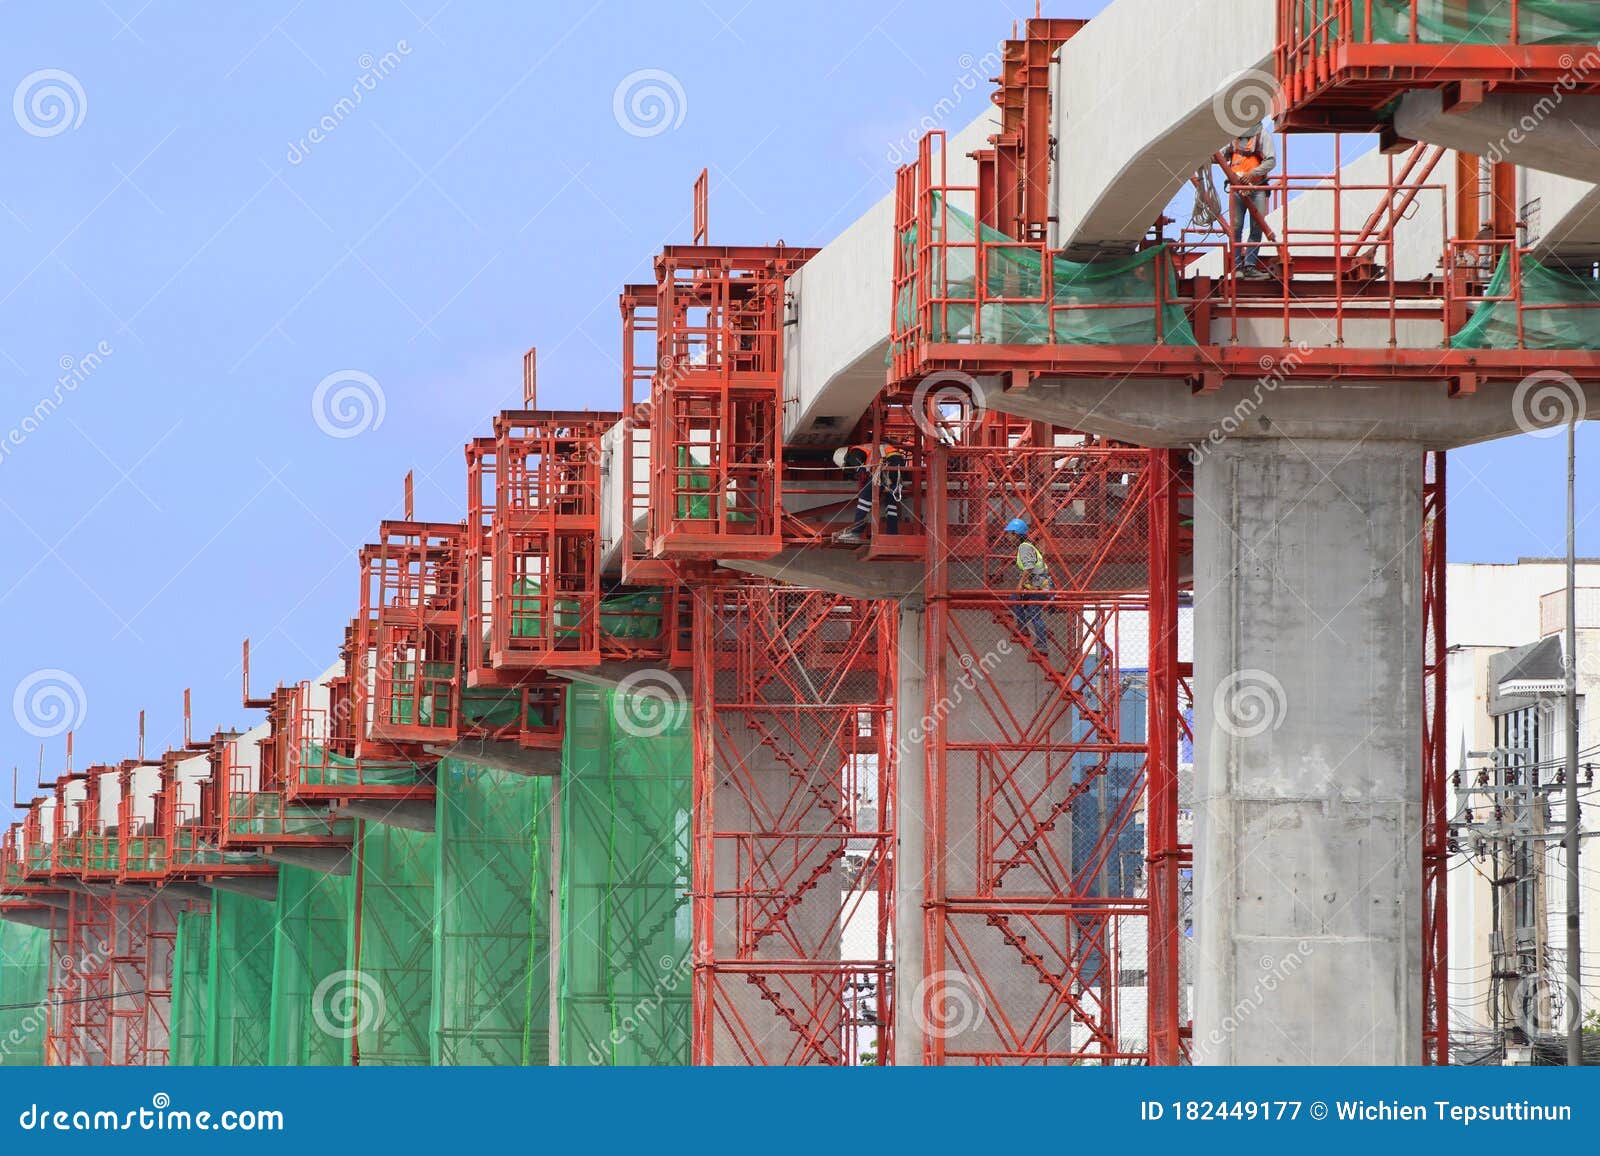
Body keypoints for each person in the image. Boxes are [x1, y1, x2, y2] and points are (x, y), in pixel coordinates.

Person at [1222, 121, 1276, 279]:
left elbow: (1271, 161)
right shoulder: (1233, 137)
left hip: (1257, 188)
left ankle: (1250, 266)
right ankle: (1237, 267)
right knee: (1236, 228)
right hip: (1236, 190)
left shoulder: (1261, 135)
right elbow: (1218, 155)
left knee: (1257, 227)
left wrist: (1251, 174)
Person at [834, 443, 908, 544]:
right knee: (891, 505)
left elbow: (861, 469)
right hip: (897, 467)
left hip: (886, 465)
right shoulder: (867, 449)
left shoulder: (855, 452)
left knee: (864, 496)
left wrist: (861, 474)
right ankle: (892, 534)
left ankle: (856, 532)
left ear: (845, 457)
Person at [1005, 516, 1051, 650]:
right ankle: (1023, 626)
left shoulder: (1024, 547)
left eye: (1009, 533)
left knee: (1034, 613)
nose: (1008, 536)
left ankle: (1041, 644)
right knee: (1015, 599)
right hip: (1036, 585)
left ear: (1016, 534)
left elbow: (1029, 567)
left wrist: (1020, 584)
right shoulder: (1025, 546)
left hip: (1038, 587)